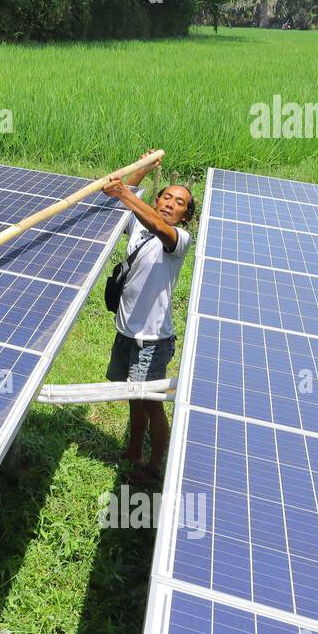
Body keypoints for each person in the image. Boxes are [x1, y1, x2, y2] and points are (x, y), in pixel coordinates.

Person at [101, 152, 196, 486]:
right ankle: (132, 451)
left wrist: (125, 194)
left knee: (152, 403)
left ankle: (155, 466)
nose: (171, 204)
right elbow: (124, 205)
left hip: (151, 339)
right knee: (134, 394)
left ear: (186, 216)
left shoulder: (177, 240)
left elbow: (154, 221)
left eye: (180, 203)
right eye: (166, 197)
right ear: (156, 199)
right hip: (126, 330)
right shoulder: (138, 227)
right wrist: (140, 170)